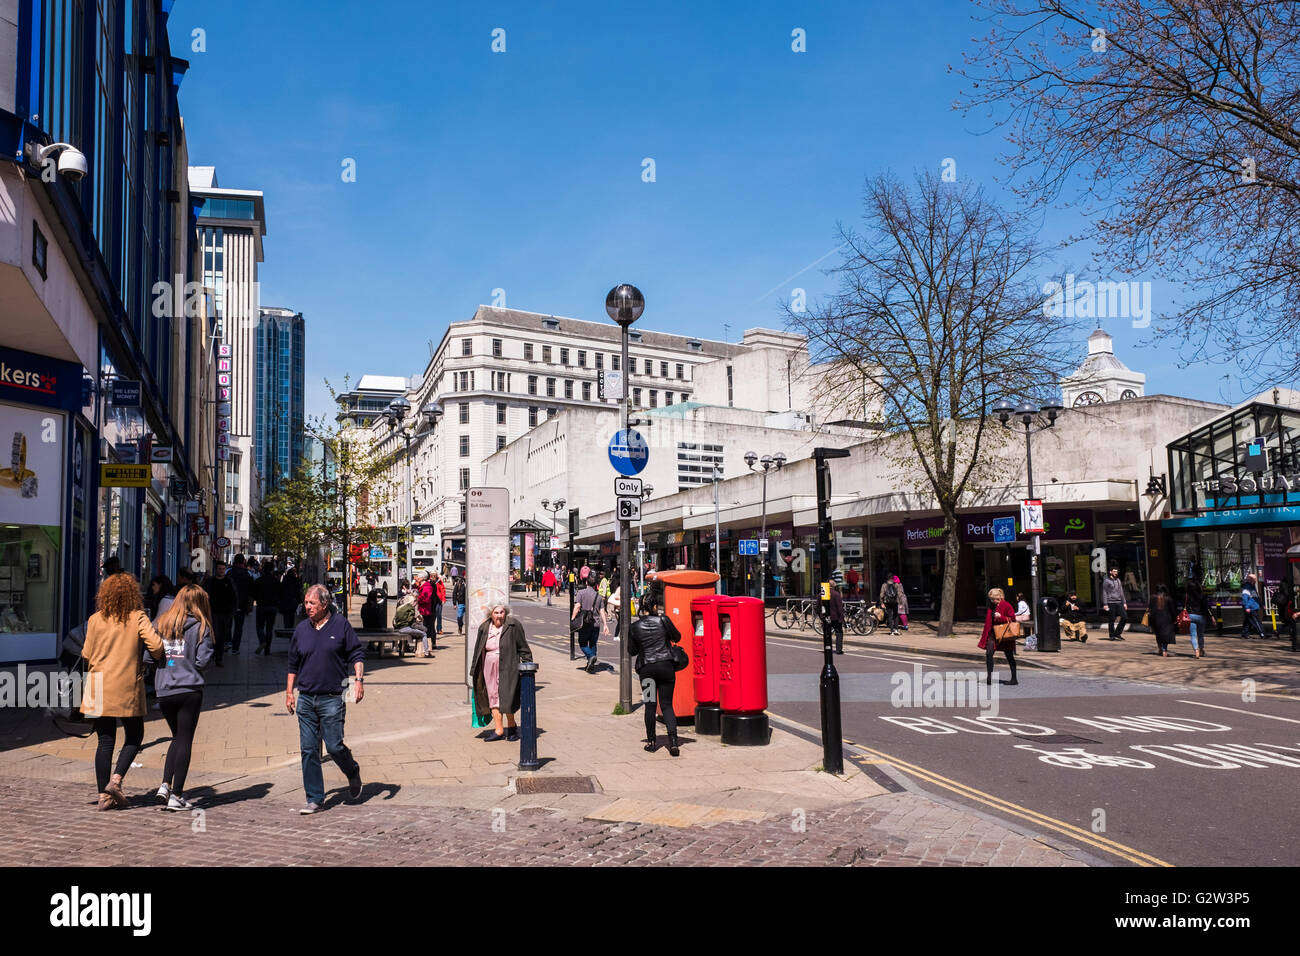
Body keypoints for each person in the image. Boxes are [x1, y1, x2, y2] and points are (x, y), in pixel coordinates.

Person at [81, 573, 166, 810]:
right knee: (134, 735)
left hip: (97, 686)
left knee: (105, 741)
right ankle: (116, 781)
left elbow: (86, 654)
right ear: (132, 594)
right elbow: (157, 647)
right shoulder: (137, 617)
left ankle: (103, 796)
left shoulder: (95, 619)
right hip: (126, 686)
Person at [286, 584, 365, 814]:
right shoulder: (301, 629)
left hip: (332, 698)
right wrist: (289, 692)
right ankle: (315, 798)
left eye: (312, 603)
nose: (307, 607)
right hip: (306, 698)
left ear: (324, 604)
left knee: (334, 746)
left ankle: (352, 771)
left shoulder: (340, 625)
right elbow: (292, 664)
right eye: (306, 603)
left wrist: (358, 680)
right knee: (309, 750)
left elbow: (356, 654)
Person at [151, 584, 215, 811]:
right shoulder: (201, 627)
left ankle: (165, 784)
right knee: (185, 739)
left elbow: (149, 657)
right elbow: (203, 661)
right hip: (189, 689)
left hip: (164, 689)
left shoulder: (160, 623)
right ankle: (176, 794)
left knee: (176, 737)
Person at [629, 593, 684, 756]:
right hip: (666, 667)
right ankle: (673, 742)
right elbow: (678, 637)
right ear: (654, 607)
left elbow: (632, 651)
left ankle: (651, 742)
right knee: (667, 705)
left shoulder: (635, 627)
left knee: (650, 705)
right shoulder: (663, 620)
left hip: (647, 670)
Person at [471, 604, 534, 741]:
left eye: (502, 612)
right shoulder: (484, 627)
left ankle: (511, 727)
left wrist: (527, 666)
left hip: (508, 666)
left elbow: (523, 647)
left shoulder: (513, 625)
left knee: (507, 696)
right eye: (496, 612)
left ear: (506, 613)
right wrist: (474, 669)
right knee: (492, 696)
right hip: (488, 665)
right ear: (491, 614)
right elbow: (478, 649)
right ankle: (499, 729)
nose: (499, 615)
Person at [977, 587, 1018, 687]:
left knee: (1009, 656)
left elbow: (1012, 619)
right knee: (989, 654)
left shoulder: (1006, 605)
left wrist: (1001, 617)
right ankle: (989, 678)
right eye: (991, 599)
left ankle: (1014, 678)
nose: (992, 600)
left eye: (993, 598)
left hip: (1004, 634)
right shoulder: (992, 606)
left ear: (999, 597)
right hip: (993, 634)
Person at [203, 560, 237, 667]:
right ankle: (212, 655)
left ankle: (218, 657)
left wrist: (232, 611)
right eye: (219, 569)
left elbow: (234, 597)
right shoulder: (210, 581)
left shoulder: (229, 581)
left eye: (223, 569)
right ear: (216, 569)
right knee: (212, 635)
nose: (221, 571)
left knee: (221, 636)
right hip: (212, 612)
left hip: (225, 613)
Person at [571, 571, 606, 672]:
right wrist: (605, 625)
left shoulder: (581, 593)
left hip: (585, 623)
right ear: (596, 585)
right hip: (596, 623)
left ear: (586, 582)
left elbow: (577, 606)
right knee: (593, 643)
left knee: (582, 643)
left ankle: (590, 656)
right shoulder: (598, 596)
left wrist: (573, 619)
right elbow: (602, 611)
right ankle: (591, 665)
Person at [227, 555, 254, 655]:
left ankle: (227, 642)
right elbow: (251, 592)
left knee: (227, 625)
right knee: (239, 627)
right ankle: (235, 648)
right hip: (241, 605)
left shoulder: (228, 572)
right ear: (243, 562)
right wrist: (250, 605)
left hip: (229, 604)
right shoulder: (247, 574)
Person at [253, 559, 280, 655]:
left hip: (261, 606)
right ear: (272, 570)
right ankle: (267, 649)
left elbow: (254, 594)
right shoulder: (276, 581)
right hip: (272, 607)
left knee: (260, 627)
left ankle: (262, 640)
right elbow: (279, 593)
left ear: (263, 570)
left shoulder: (259, 581)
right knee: (269, 628)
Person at [1184, 578, 1210, 659]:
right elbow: (1206, 607)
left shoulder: (1187, 596)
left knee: (1193, 635)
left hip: (1191, 616)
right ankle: (1202, 649)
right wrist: (1211, 616)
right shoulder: (1202, 595)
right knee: (1201, 635)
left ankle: (1196, 651)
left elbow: (1184, 606)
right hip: (1201, 616)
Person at [1149, 584, 1176, 657]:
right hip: (1167, 620)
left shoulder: (1152, 598)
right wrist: (1175, 619)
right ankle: (1164, 650)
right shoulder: (1168, 599)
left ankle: (1160, 648)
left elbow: (1150, 609)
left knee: (1158, 635)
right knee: (1165, 635)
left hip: (1156, 619)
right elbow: (1172, 611)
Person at [1102, 565, 1127, 641]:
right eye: (1114, 571)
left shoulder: (1118, 580)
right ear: (1110, 572)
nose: (1116, 573)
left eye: (1117, 571)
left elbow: (1121, 592)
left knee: (1125, 617)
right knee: (1111, 619)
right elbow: (1104, 592)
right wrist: (1105, 604)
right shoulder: (1106, 581)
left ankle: (1117, 633)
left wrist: (1124, 602)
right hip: (1110, 602)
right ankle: (1112, 635)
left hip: (1119, 602)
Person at [415, 571, 436, 657]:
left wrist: (417, 599)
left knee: (426, 629)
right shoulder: (423, 586)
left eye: (419, 577)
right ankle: (424, 648)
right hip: (423, 610)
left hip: (426, 611)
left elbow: (426, 599)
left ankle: (426, 649)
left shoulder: (427, 586)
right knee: (424, 628)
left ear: (423, 578)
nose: (417, 578)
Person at [1240, 574, 1265, 639]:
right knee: (1256, 621)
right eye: (1255, 579)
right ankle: (1262, 633)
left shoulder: (1252, 587)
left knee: (1248, 622)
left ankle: (1244, 633)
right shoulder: (1247, 587)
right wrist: (1247, 607)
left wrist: (1261, 604)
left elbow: (1256, 597)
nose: (1256, 580)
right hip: (1251, 607)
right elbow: (1245, 598)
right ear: (1251, 580)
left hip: (1253, 606)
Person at [279, 564, 303, 631]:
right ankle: (290, 627)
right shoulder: (295, 581)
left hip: (285, 600)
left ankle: (286, 626)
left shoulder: (285, 580)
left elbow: (281, 590)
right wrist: (299, 600)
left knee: (286, 614)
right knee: (291, 614)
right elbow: (297, 591)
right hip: (293, 600)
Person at [828, 583, 846, 654]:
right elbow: (839, 607)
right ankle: (838, 649)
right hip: (836, 618)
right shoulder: (836, 594)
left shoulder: (821, 594)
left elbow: (818, 607)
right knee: (839, 633)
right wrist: (841, 618)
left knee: (827, 633)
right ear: (834, 586)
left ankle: (828, 648)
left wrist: (821, 616)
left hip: (826, 618)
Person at [433, 572, 447, 642]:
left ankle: (439, 629)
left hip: (439, 601)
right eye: (432, 576)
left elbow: (443, 591)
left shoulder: (439, 582)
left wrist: (443, 599)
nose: (434, 577)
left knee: (439, 615)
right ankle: (432, 629)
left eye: (435, 576)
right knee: (432, 616)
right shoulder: (430, 582)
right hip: (432, 601)